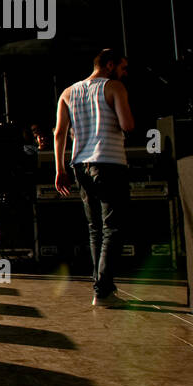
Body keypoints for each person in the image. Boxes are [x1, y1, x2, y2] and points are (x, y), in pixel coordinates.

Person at [54, 48, 134, 307]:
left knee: (95, 229)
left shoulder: (68, 92)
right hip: (109, 163)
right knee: (113, 227)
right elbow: (128, 125)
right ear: (110, 65)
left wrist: (60, 169)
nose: (124, 73)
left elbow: (59, 134)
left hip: (80, 165)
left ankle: (100, 286)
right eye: (122, 68)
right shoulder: (114, 88)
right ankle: (103, 292)